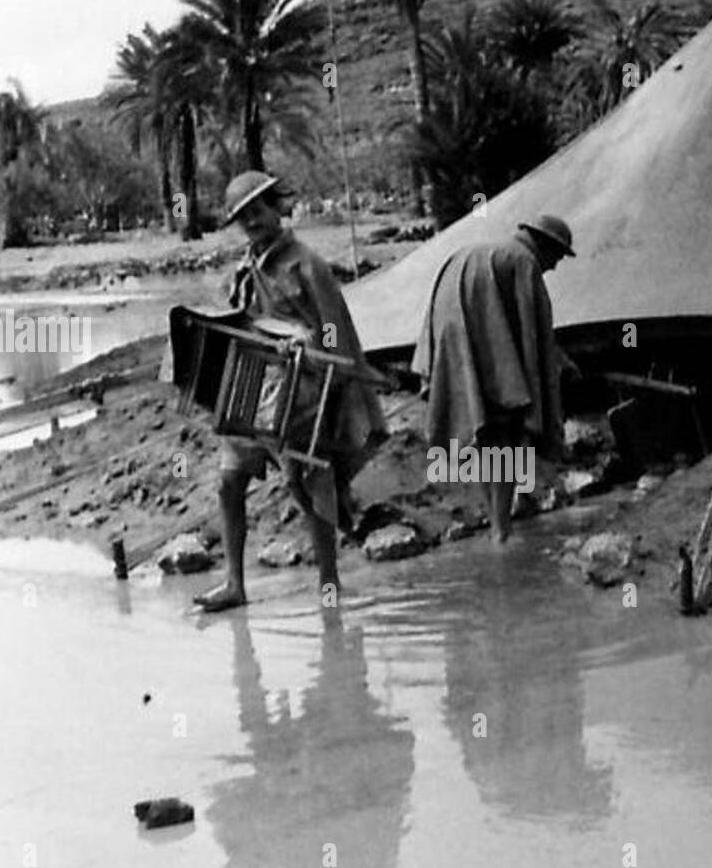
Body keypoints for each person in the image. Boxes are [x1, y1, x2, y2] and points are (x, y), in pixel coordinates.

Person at [193, 171, 386, 612]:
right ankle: (234, 584)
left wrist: (310, 349)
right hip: (249, 389)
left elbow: (335, 333)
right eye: (243, 216)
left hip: (300, 392)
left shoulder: (306, 264)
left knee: (308, 485)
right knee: (228, 483)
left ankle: (329, 582)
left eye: (258, 210)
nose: (252, 221)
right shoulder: (245, 268)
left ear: (277, 207)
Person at [412, 214, 576, 543]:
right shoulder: (523, 260)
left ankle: (496, 524)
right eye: (557, 257)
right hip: (489, 356)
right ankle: (501, 530)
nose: (555, 267)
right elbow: (533, 335)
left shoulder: (473, 252)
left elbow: (519, 323)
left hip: (458, 349)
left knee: (484, 436)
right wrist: (546, 375)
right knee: (507, 438)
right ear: (544, 244)